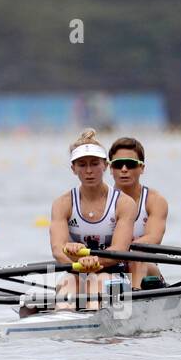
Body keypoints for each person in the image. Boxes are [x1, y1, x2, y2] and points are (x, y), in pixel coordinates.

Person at [48, 128, 137, 308]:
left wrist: (94, 261)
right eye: (82, 165)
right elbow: (58, 250)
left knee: (99, 282)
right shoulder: (62, 203)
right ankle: (64, 315)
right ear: (73, 169)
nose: (89, 170)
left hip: (114, 271)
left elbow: (119, 250)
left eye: (95, 164)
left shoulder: (124, 203)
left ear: (105, 165)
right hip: (74, 271)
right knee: (67, 290)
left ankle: (92, 317)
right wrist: (77, 262)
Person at [105, 136, 168, 289]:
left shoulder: (154, 201)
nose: (124, 169)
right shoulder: (99, 200)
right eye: (118, 164)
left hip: (145, 268)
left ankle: (135, 293)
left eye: (131, 164)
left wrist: (121, 247)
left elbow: (154, 238)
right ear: (111, 168)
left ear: (142, 168)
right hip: (108, 266)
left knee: (136, 255)